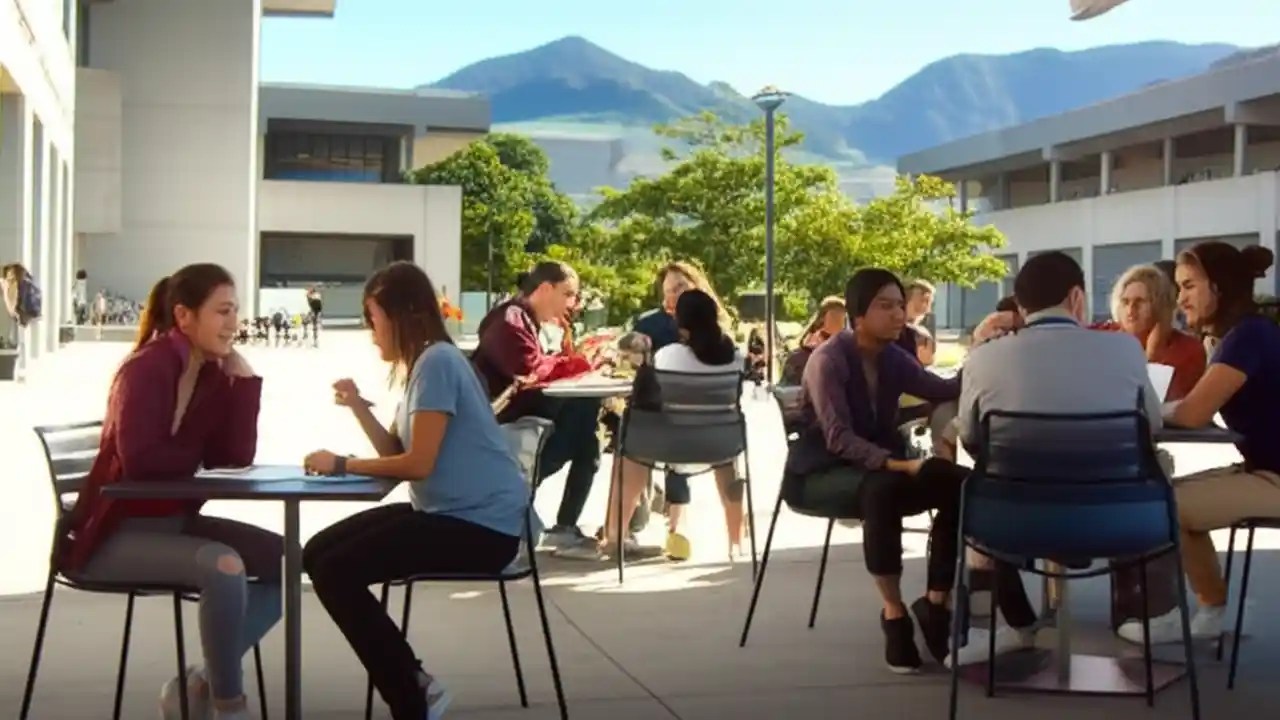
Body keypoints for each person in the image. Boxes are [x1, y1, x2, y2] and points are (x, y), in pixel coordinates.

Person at [301, 262, 527, 720]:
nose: (371, 333)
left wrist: (341, 464)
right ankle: (414, 682)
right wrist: (358, 407)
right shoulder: (426, 363)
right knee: (318, 553)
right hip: (450, 514)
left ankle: (410, 694)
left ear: (401, 315)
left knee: (336, 569)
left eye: (373, 319)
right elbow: (395, 453)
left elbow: (417, 464)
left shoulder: (438, 363)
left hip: (482, 527)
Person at [61, 264, 280, 720]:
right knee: (224, 566)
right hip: (114, 536)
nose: (234, 322)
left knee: (289, 559)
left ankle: (197, 683)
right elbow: (141, 461)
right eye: (222, 311)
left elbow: (232, 456)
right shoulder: (146, 368)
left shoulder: (209, 372)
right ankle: (229, 704)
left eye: (235, 310)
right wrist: (195, 455)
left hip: (174, 524)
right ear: (184, 316)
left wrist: (243, 385)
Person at [951, 251, 1164, 665]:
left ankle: (1009, 624)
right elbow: (1151, 427)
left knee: (979, 484)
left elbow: (971, 438)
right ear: (1076, 297)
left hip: (1009, 524)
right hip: (1122, 521)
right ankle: (1143, 617)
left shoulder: (983, 358)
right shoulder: (1125, 350)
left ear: (1019, 306)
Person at [787, 269, 967, 673]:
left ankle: (935, 602)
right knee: (883, 490)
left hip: (883, 467)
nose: (898, 314)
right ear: (858, 315)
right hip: (820, 473)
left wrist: (987, 353)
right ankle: (894, 613)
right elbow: (838, 438)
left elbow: (942, 389)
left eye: (901, 305)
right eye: (885, 306)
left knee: (960, 485)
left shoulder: (893, 358)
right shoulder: (828, 360)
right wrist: (898, 463)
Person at [1116, 242, 1280, 646]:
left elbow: (1192, 413)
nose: (1180, 298)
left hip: (1274, 475)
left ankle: (1201, 615)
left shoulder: (1247, 338)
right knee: (1165, 496)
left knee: (1167, 504)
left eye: (1189, 286)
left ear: (1219, 286)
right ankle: (1207, 612)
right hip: (1263, 468)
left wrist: (1151, 408)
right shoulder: (1239, 335)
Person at [565, 289, 748, 562]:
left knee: (632, 449)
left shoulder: (669, 355)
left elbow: (645, 399)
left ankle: (614, 537)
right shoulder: (736, 357)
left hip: (669, 446)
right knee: (728, 466)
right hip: (720, 443)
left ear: (682, 326)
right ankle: (736, 543)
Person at [472, 261, 600, 549]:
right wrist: (577, 363)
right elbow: (528, 370)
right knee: (585, 416)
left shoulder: (526, 318)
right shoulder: (510, 319)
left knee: (590, 434)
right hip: (507, 418)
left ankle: (563, 524)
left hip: (524, 411)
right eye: (568, 294)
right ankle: (517, 496)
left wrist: (572, 358)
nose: (572, 303)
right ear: (544, 289)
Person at [630, 262, 734, 560]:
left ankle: (666, 525)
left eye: (680, 288)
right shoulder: (652, 325)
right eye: (669, 291)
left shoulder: (717, 329)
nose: (675, 296)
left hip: (691, 420)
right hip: (702, 423)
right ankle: (674, 525)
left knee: (641, 436)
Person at [1092, 264, 1205, 400]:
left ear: (1160, 306)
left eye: (1140, 301)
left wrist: (1151, 358)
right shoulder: (1098, 334)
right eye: (1125, 302)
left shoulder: (1188, 350)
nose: (1131, 310)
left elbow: (1153, 404)